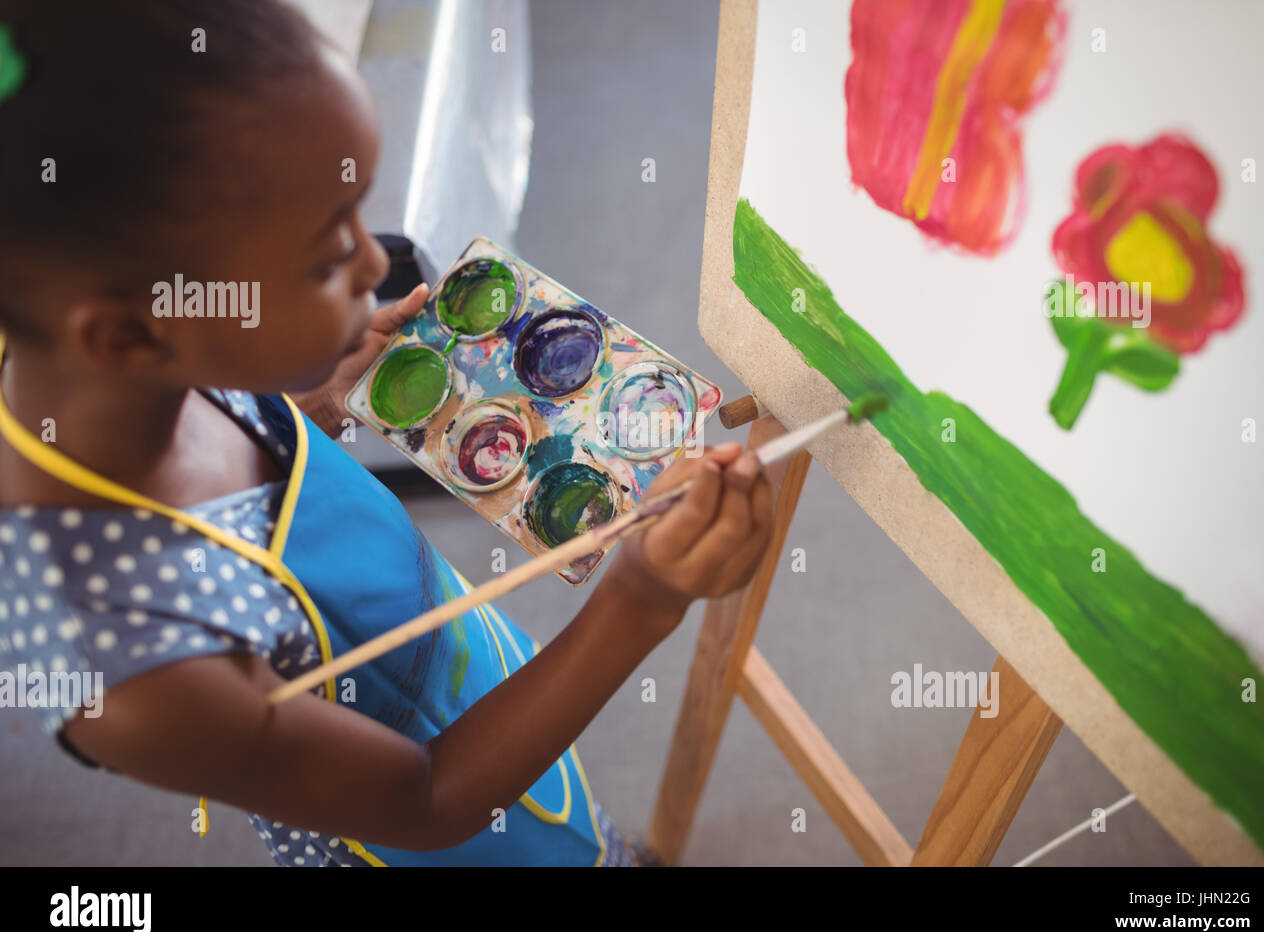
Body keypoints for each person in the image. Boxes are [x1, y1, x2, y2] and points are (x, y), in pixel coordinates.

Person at [0, 0, 772, 866]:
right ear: (132, 334)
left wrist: (311, 407)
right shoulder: (137, 674)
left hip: (461, 670)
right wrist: (642, 598)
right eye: (327, 256)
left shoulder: (109, 359)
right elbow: (427, 797)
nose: (376, 263)